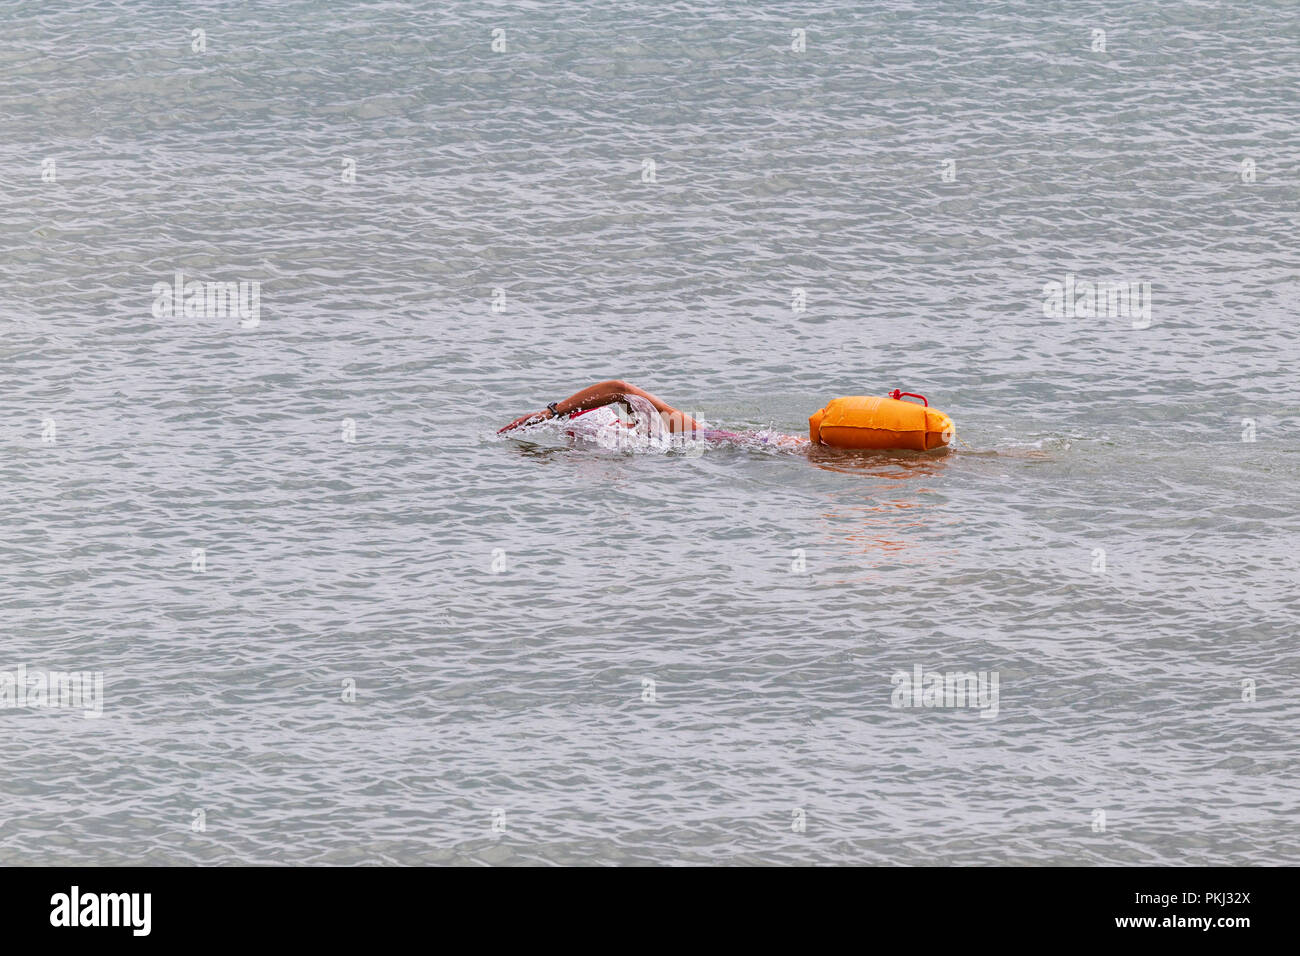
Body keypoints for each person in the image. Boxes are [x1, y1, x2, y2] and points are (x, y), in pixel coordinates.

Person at [497, 379, 805, 447]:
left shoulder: (677, 430)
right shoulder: (671, 432)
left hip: (748, 445)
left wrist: (552, 412)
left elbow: (619, 389)